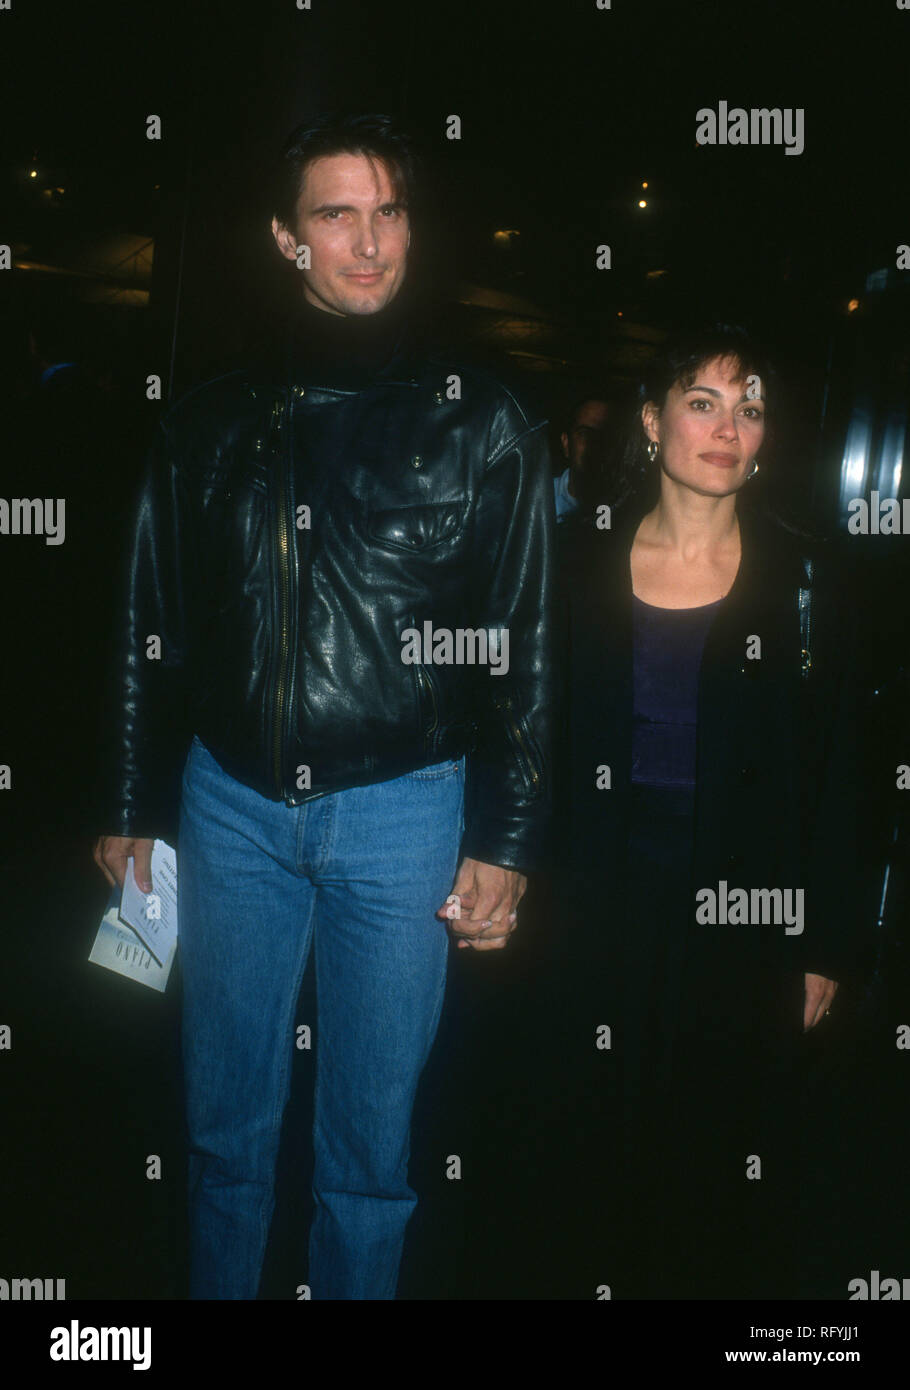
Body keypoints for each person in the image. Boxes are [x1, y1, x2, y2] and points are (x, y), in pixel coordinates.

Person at [93, 111, 554, 1300]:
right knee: (223, 1136)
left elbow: (523, 644)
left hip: (405, 812)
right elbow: (149, 624)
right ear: (286, 240)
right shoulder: (204, 422)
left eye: (387, 210)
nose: (366, 240)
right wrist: (133, 803)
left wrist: (505, 835)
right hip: (229, 807)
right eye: (334, 213)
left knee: (370, 1158)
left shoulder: (483, 420)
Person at [552, 323, 862, 1298]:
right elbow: (522, 735)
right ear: (650, 422)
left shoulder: (811, 574)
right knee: (587, 1142)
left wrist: (825, 943)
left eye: (751, 406)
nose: (730, 427)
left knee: (718, 1159)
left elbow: (846, 773)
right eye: (703, 401)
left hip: (743, 919)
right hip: (590, 905)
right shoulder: (571, 558)